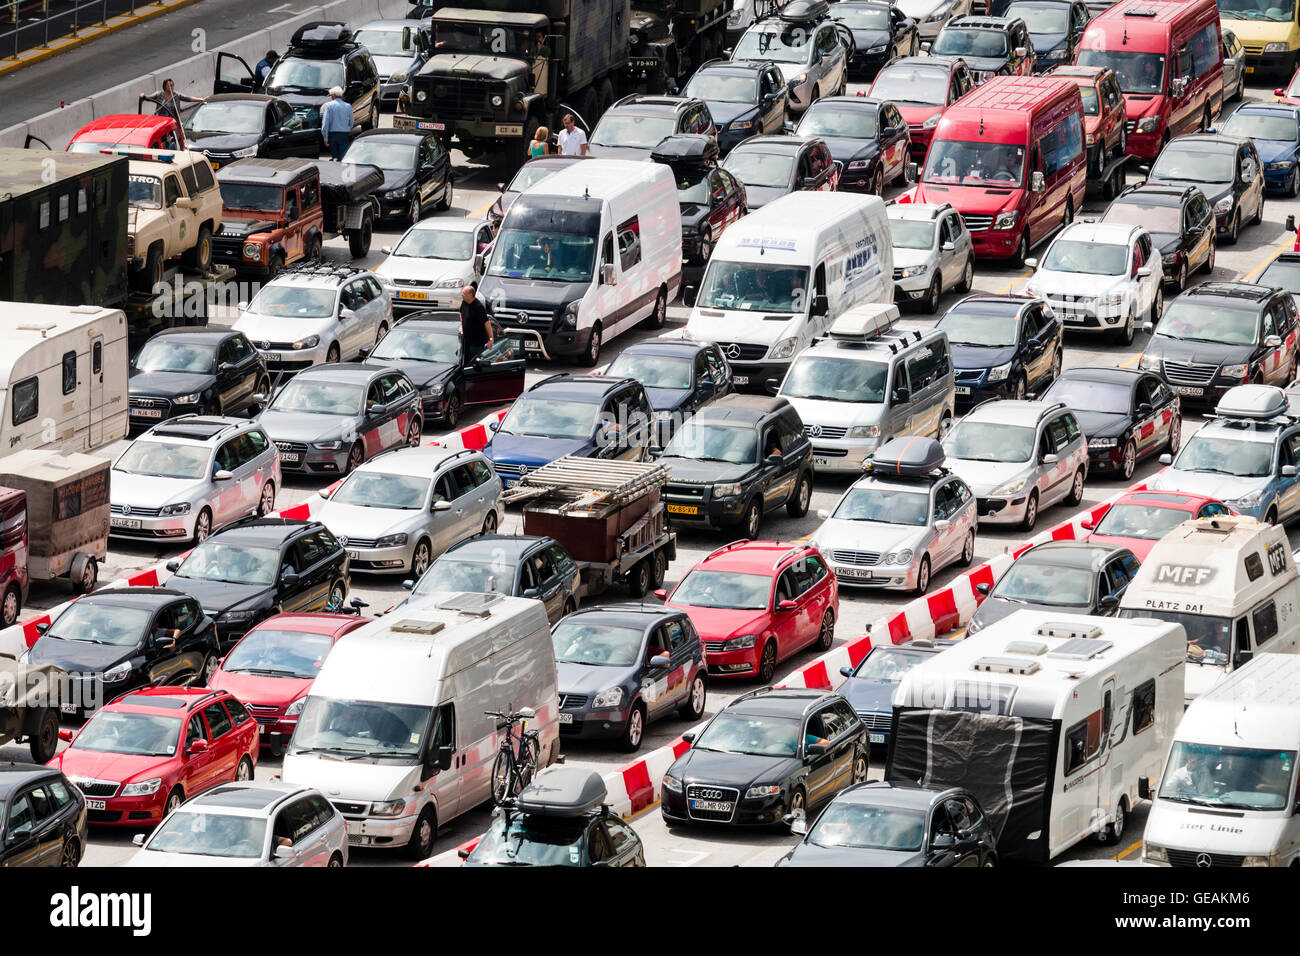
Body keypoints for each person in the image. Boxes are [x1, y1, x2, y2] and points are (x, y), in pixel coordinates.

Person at [139, 78, 207, 124]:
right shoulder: (158, 94)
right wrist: (143, 95)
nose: (171, 87)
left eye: (172, 85)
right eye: (169, 85)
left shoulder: (176, 95)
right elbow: (148, 98)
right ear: (165, 86)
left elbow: (188, 98)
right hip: (161, 122)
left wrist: (201, 99)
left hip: (173, 122)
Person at [460, 285, 494, 361]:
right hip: (466, 341)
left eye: (464, 293)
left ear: (470, 295)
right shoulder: (464, 302)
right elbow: (461, 313)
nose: (462, 295)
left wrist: (491, 339)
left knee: (474, 363)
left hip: (477, 344)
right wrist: (461, 325)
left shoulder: (479, 307)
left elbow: (487, 323)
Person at [320, 86, 353, 161]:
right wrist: (348, 129)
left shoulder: (328, 106)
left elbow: (325, 124)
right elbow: (351, 121)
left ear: (334, 95)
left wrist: (325, 138)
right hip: (344, 134)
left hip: (332, 135)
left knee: (334, 157)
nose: (331, 97)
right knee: (343, 157)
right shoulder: (348, 106)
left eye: (331, 95)